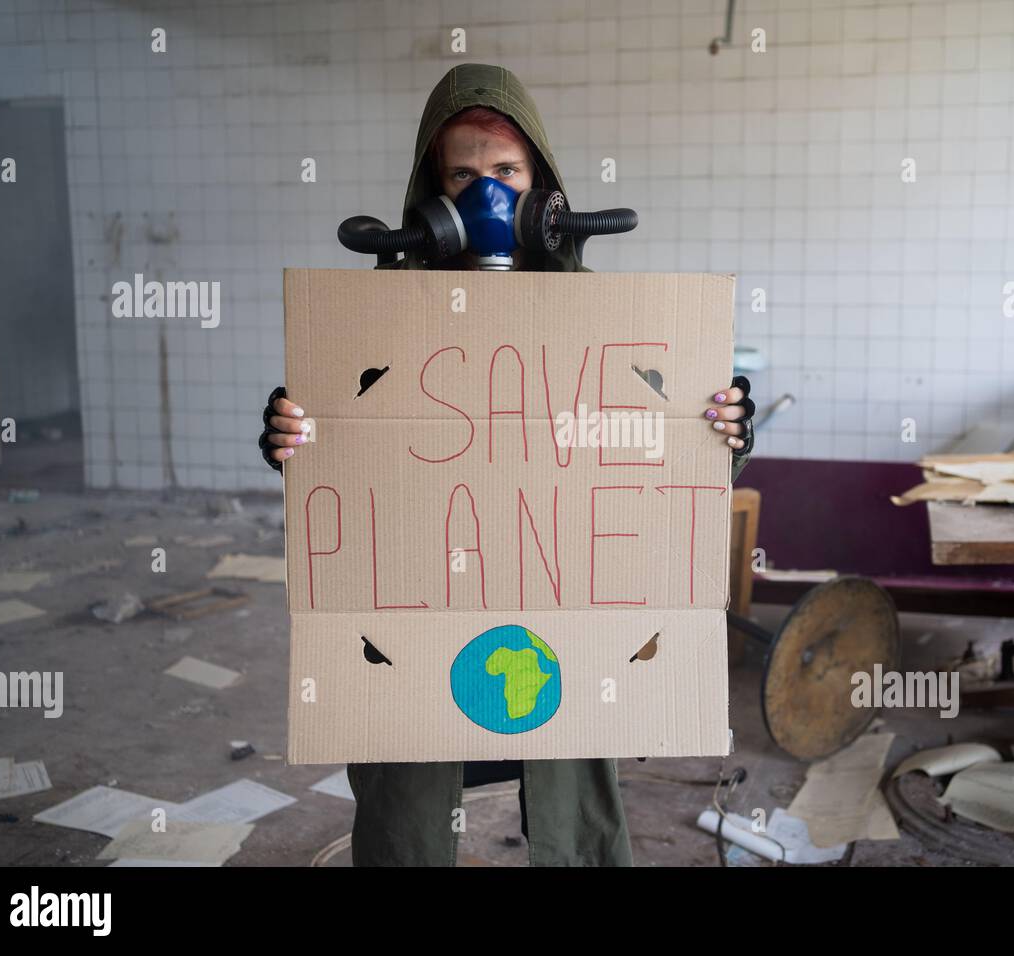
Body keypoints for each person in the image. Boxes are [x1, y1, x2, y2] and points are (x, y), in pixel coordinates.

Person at [257, 63, 755, 866]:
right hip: (418, 606)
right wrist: (295, 435)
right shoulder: (369, 328)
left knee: (572, 802)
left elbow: (653, 475)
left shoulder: (608, 327)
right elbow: (344, 486)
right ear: (429, 191)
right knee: (408, 812)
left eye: (505, 172)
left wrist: (719, 428)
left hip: (558, 613)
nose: (484, 194)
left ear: (544, 190)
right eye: (461, 173)